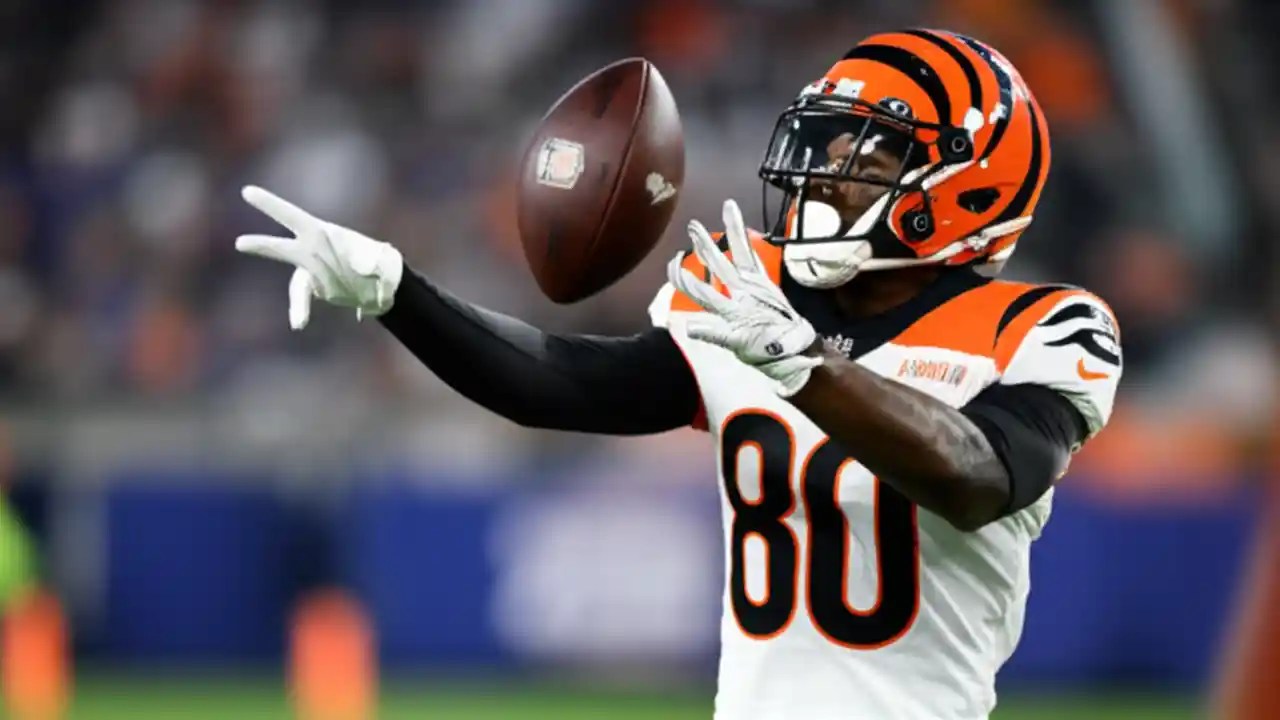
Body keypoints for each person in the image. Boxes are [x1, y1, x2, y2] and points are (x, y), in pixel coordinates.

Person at [236, 29, 1122, 720]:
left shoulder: (1038, 327)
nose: (823, 179)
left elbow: (975, 476)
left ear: (965, 186)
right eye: (824, 146)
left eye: (867, 156)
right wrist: (398, 291)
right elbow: (563, 383)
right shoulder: (758, 295)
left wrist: (801, 365)